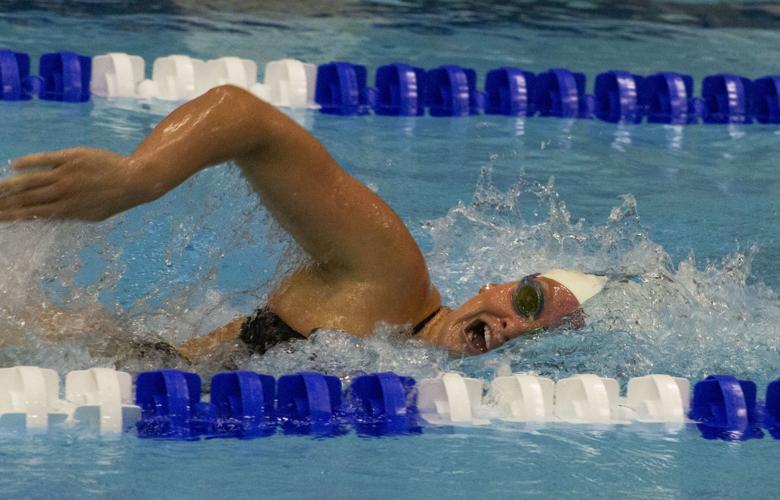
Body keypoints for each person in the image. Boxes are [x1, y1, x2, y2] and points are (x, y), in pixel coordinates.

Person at [0, 85, 606, 363]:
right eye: (527, 300)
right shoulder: (391, 275)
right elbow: (247, 119)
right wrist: (138, 178)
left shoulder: (425, 386)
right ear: (494, 285)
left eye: (536, 336)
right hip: (109, 361)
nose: (510, 327)